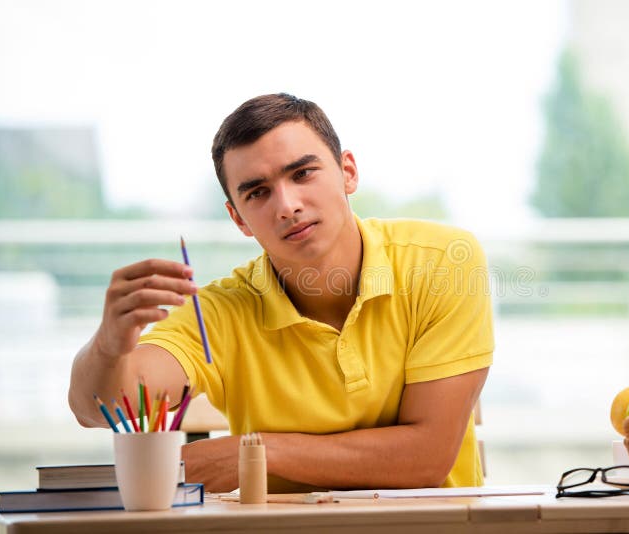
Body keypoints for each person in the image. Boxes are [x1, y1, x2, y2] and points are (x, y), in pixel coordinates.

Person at [68, 93, 494, 493]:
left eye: (302, 174)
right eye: (258, 192)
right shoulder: (219, 311)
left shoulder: (441, 261)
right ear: (239, 219)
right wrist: (109, 344)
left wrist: (252, 453)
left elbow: (425, 459)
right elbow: (97, 409)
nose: (287, 206)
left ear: (348, 172)